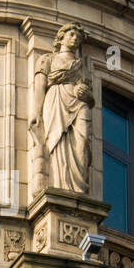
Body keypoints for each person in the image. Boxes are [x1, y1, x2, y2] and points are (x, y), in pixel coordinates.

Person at [29, 24, 94, 193]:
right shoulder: (47, 59)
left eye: (78, 38)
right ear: (61, 37)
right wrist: (36, 111)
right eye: (71, 34)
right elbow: (40, 87)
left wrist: (85, 94)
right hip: (57, 101)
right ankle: (60, 185)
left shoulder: (83, 68)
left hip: (79, 105)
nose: (75, 39)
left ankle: (78, 187)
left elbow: (91, 98)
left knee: (83, 141)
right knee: (57, 142)